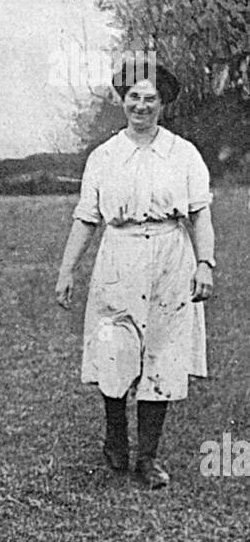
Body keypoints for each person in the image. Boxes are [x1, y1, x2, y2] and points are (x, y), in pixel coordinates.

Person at [54, 57, 214, 489]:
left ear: (163, 104)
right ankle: (115, 436)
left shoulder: (183, 153)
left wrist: (204, 263)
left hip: (169, 256)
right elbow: (86, 217)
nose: (141, 106)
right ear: (121, 101)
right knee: (115, 350)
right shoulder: (104, 157)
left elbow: (200, 215)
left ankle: (148, 457)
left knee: (163, 352)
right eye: (133, 98)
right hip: (119, 256)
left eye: (150, 98)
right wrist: (67, 270)